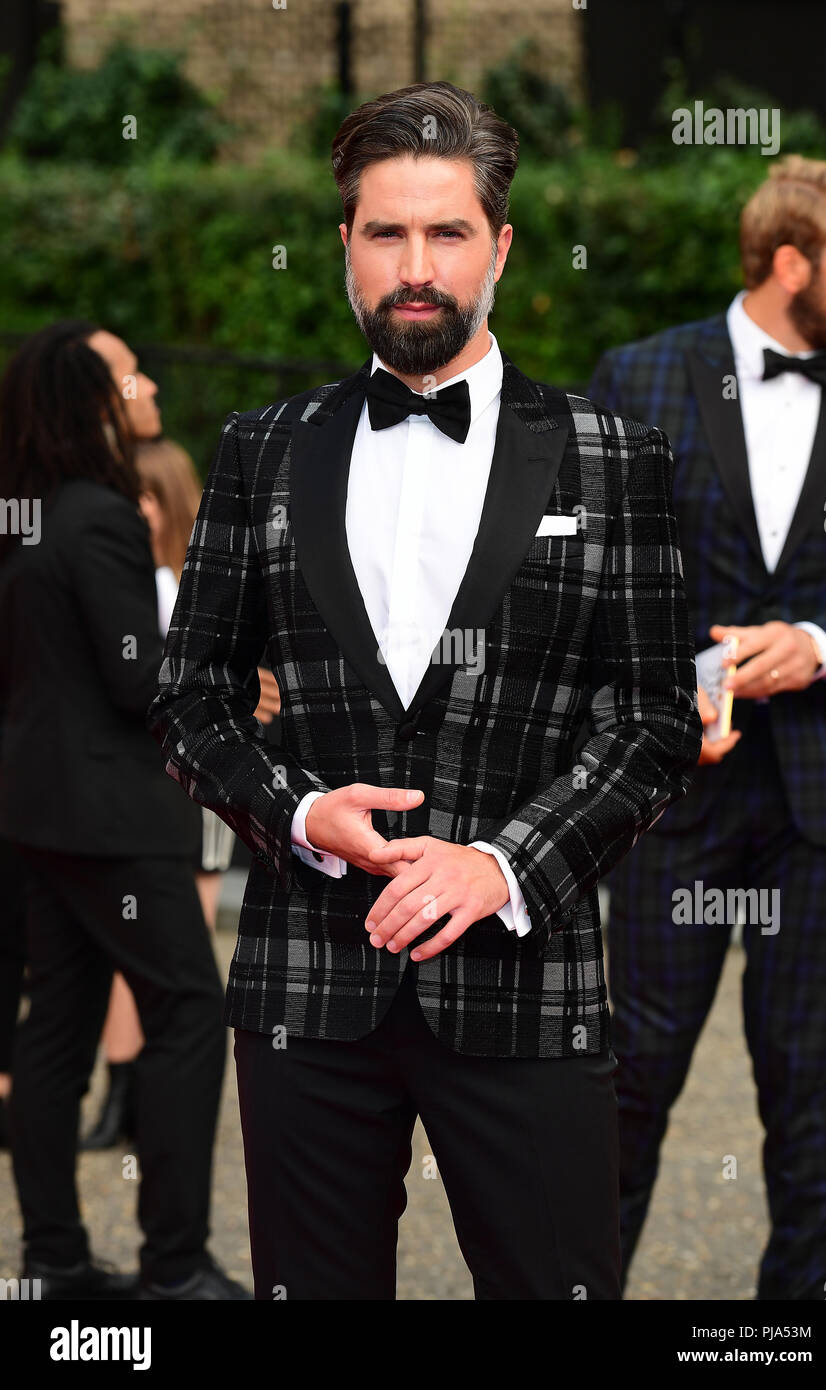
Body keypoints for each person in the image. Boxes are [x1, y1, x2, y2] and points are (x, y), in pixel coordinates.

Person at [148, 81, 702, 1301]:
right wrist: (295, 812)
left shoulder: (614, 458)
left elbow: (656, 719)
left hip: (525, 975)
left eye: (446, 233)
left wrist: (500, 863)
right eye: (386, 232)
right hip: (308, 983)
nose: (416, 265)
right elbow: (188, 699)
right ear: (343, 241)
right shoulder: (260, 447)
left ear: (499, 247)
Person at [588, 155, 826, 1301]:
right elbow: (582, 573)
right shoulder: (640, 377)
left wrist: (823, 639)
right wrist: (667, 679)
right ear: (789, 260)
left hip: (824, 793)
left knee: (804, 1071)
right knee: (634, 1062)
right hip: (674, 786)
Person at [0, 320, 249, 1300]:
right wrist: (228, 677)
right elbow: (134, 677)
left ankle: (54, 1258)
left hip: (35, 813)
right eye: (124, 373)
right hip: (113, 814)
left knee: (53, 1029)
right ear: (88, 400)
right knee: (190, 1011)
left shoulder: (24, 514)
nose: (142, 383)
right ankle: (175, 1264)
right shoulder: (100, 516)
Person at [80, 438, 280, 1151]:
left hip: (192, 795)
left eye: (139, 498)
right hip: (158, 792)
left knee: (178, 952)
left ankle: (143, 1097)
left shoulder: (188, 582)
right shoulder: (141, 578)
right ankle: (130, 1093)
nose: (127, 511)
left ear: (163, 500)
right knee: (154, 952)